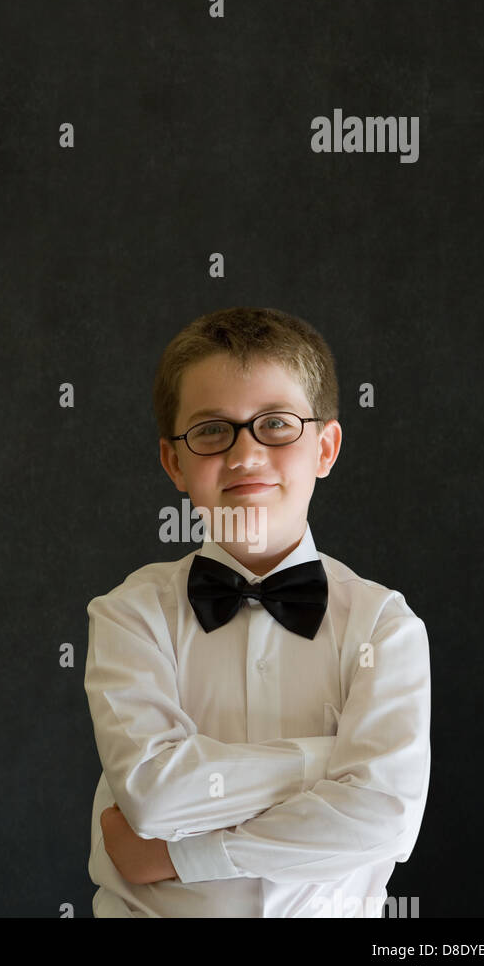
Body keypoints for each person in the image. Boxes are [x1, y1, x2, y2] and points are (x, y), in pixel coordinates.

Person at [84, 306, 430, 917]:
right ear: (174, 463)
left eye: (275, 424)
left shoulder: (385, 626)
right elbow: (154, 798)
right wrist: (328, 761)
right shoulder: (129, 615)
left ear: (325, 446)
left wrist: (181, 857)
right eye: (213, 430)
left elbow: (383, 820)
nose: (245, 456)